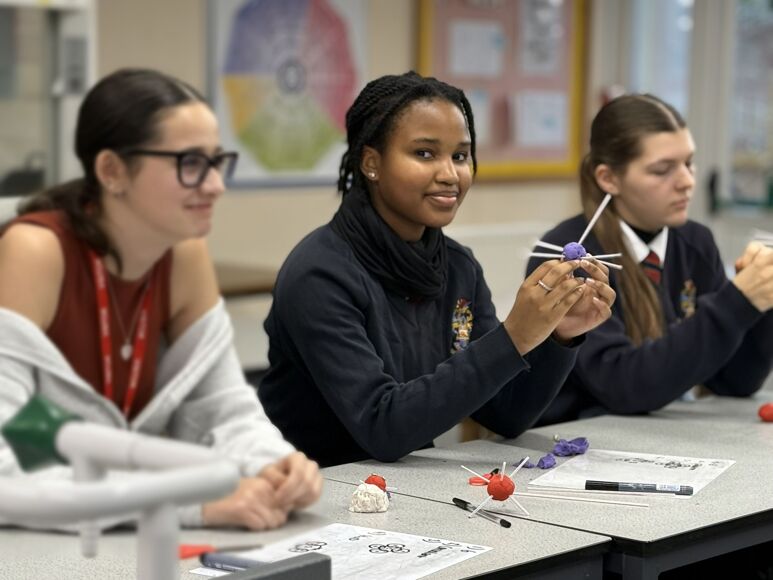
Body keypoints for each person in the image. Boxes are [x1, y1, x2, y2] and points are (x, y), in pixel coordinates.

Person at [0, 68, 321, 530]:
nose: (215, 185)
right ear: (112, 170)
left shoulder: (183, 252)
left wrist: (275, 465)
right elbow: (9, 466)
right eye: (190, 163)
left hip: (112, 531)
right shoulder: (35, 251)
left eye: (217, 161)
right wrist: (192, 507)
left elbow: (225, 408)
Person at [258, 71, 616, 467]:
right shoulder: (319, 275)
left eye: (460, 156)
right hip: (314, 491)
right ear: (371, 163)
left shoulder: (458, 267)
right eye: (425, 154)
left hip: (407, 490)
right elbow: (382, 427)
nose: (450, 174)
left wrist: (558, 337)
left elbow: (507, 414)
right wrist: (514, 336)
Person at [526, 93, 773, 425]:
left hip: (657, 437)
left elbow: (734, 381)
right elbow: (623, 386)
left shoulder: (694, 242)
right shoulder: (572, 254)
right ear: (609, 178)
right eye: (662, 170)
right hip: (581, 443)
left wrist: (761, 300)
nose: (687, 181)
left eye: (689, 163)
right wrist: (737, 301)